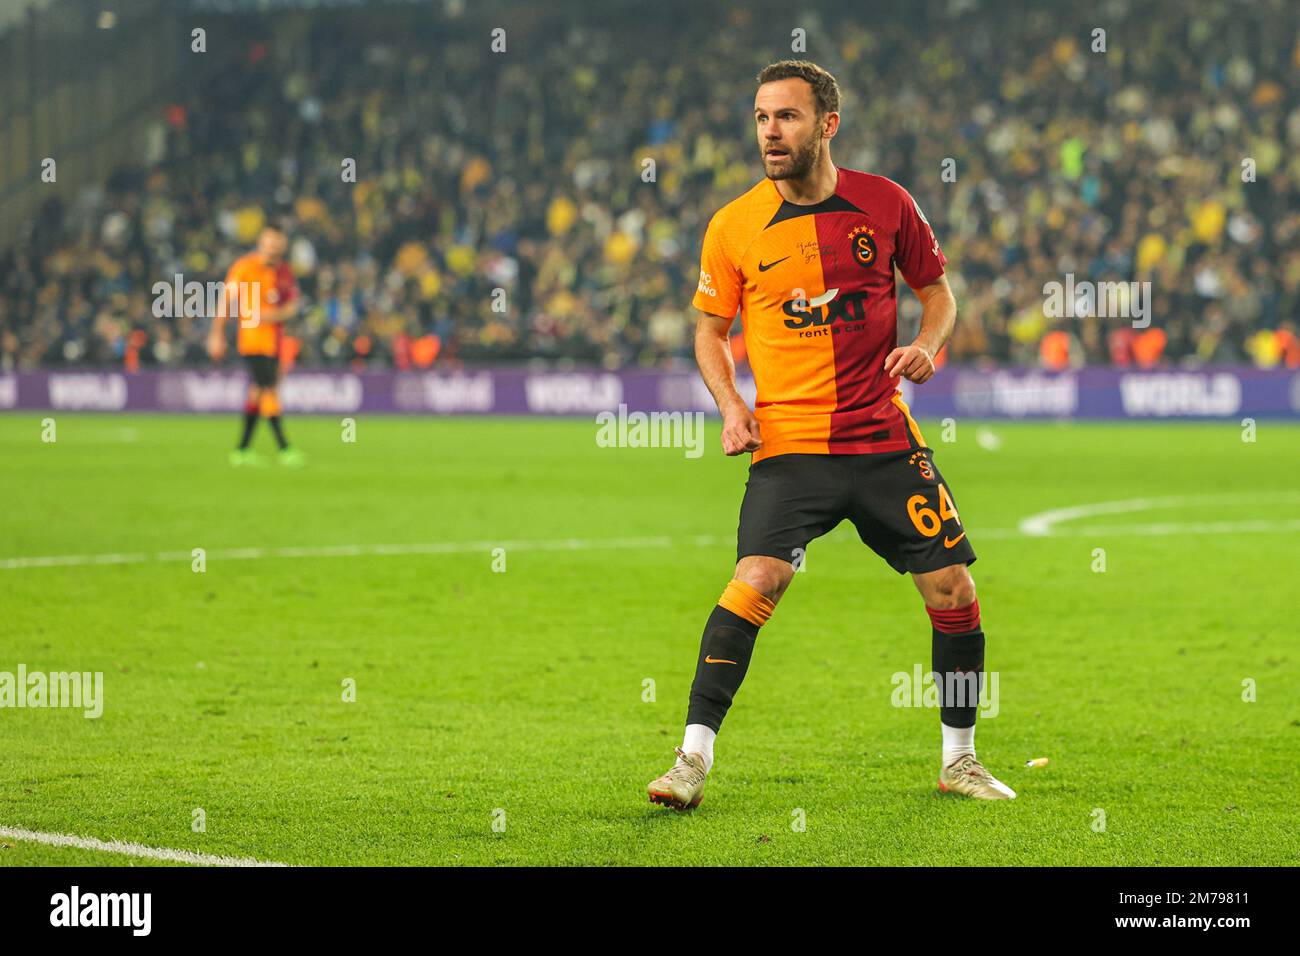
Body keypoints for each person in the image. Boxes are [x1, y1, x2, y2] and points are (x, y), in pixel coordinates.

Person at [647, 60, 1014, 810]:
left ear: (826, 125)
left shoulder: (886, 204)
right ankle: (690, 760)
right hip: (792, 449)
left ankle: (961, 760)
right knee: (758, 579)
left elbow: (937, 294)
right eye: (760, 118)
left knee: (954, 588)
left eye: (785, 117)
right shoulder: (734, 225)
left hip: (884, 441)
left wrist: (928, 346)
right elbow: (710, 332)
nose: (770, 132)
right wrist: (729, 404)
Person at [207, 224, 305, 467]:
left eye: (278, 241)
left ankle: (241, 450)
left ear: (283, 244)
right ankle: (285, 448)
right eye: (270, 240)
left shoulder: (284, 272)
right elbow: (226, 300)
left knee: (258, 392)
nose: (273, 246)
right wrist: (216, 334)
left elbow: (292, 307)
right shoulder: (245, 267)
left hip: (276, 341)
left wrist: (271, 315)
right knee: (269, 389)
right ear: (261, 241)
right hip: (252, 341)